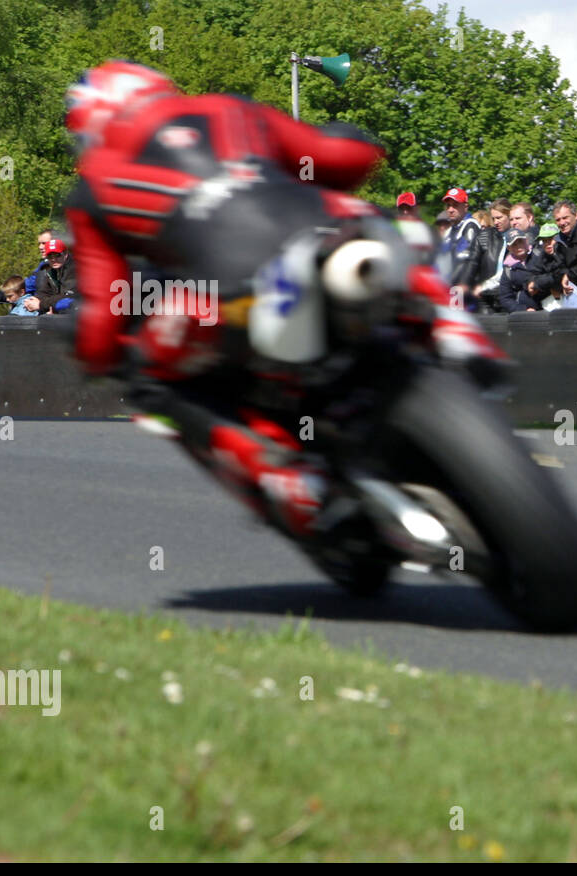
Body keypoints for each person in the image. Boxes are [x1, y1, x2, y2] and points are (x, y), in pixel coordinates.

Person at [60, 59, 462, 540]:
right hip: (329, 237)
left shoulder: (95, 184)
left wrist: (96, 353)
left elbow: (103, 310)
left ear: (92, 124)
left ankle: (287, 476)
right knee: (396, 232)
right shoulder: (229, 108)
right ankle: (457, 333)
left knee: (149, 378)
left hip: (225, 296)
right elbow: (343, 156)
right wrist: (353, 138)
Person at [438, 187, 483, 302]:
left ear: (465, 206)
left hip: (465, 292)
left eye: (455, 205)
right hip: (450, 289)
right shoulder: (450, 230)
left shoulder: (470, 225)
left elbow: (465, 260)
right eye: (448, 206)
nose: (451, 209)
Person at [22, 238, 77, 313]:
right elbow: (44, 292)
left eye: (57, 255)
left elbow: (67, 296)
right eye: (50, 256)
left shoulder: (75, 269)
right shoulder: (49, 269)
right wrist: (33, 301)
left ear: (65, 254)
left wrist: (41, 304)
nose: (53, 259)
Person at [496, 230, 540, 311]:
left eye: (520, 242)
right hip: (527, 314)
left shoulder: (539, 255)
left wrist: (537, 283)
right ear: (509, 248)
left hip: (549, 305)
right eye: (514, 244)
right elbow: (505, 298)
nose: (518, 246)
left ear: (526, 241)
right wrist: (523, 310)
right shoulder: (508, 269)